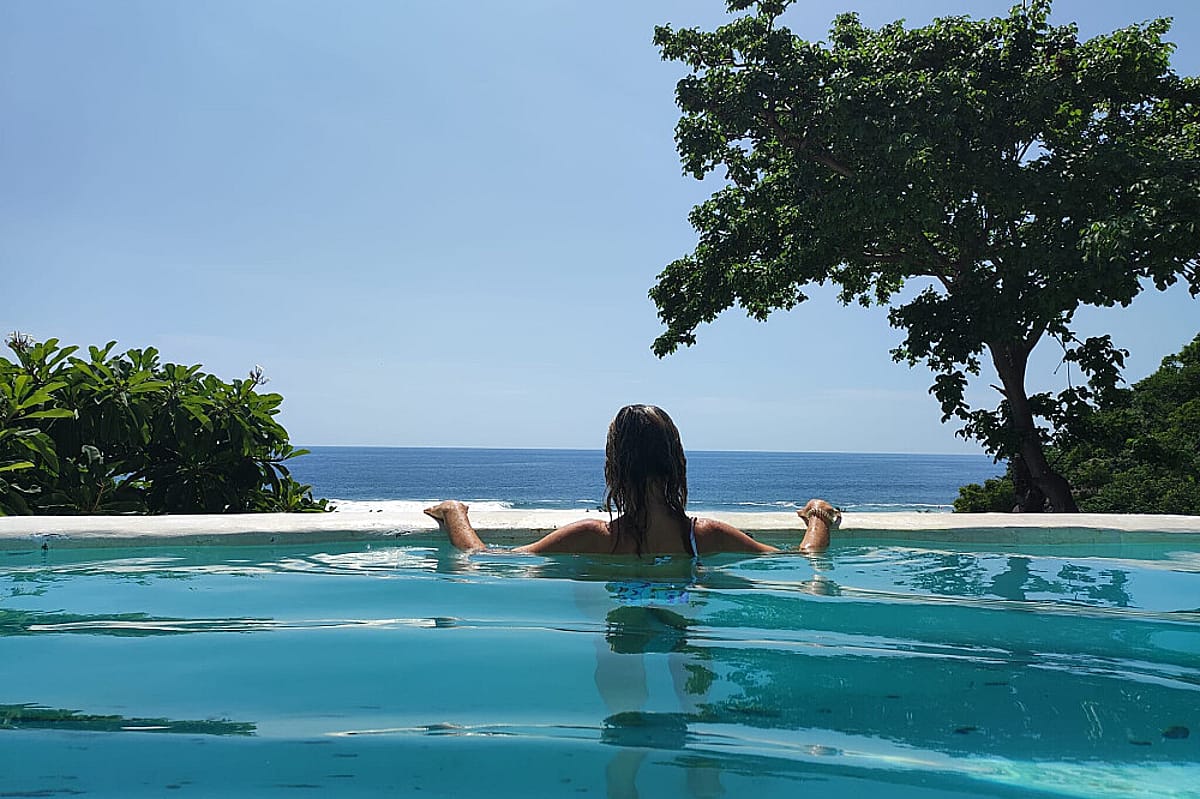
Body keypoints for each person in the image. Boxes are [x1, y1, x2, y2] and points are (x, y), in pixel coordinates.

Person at [424, 404, 841, 556]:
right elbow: (804, 560)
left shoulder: (592, 536)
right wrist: (818, 514)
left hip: (621, 633)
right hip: (685, 626)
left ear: (615, 469)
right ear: (676, 463)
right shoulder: (707, 536)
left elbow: (482, 561)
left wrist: (455, 514)